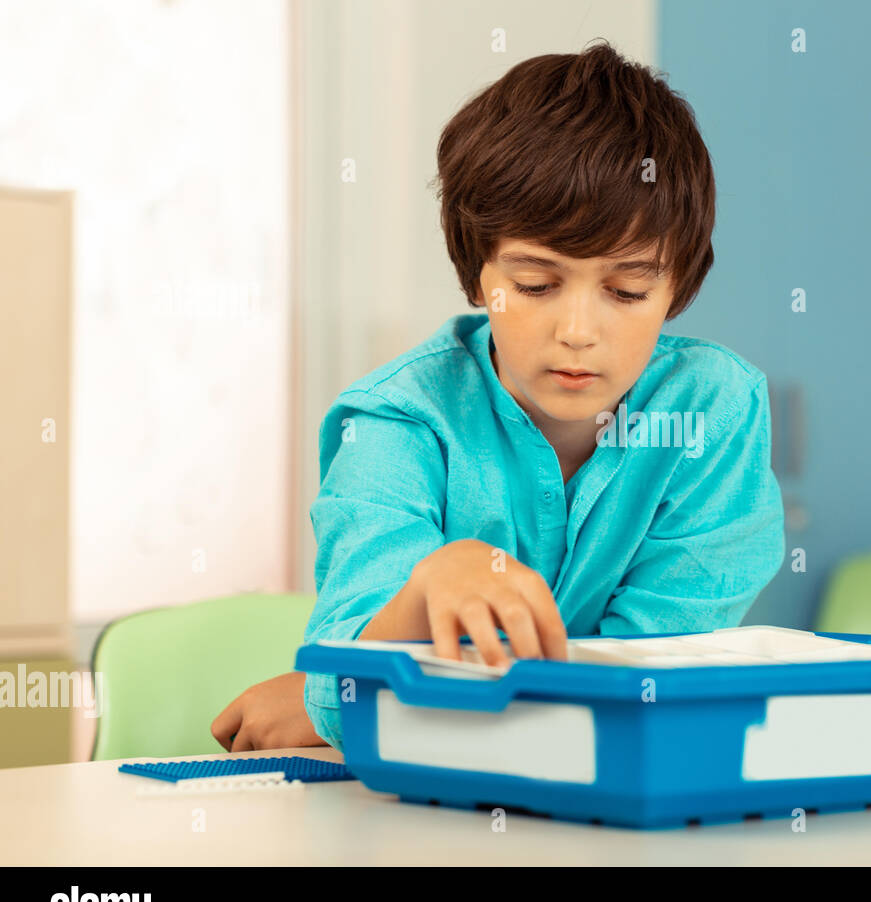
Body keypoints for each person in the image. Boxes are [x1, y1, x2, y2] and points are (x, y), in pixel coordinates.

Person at [212, 40, 784, 753]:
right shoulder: (397, 421)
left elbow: (648, 687)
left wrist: (332, 700)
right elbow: (351, 676)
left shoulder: (712, 413)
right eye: (537, 285)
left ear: (677, 290)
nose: (578, 332)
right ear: (479, 276)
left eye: (628, 291)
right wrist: (423, 594)